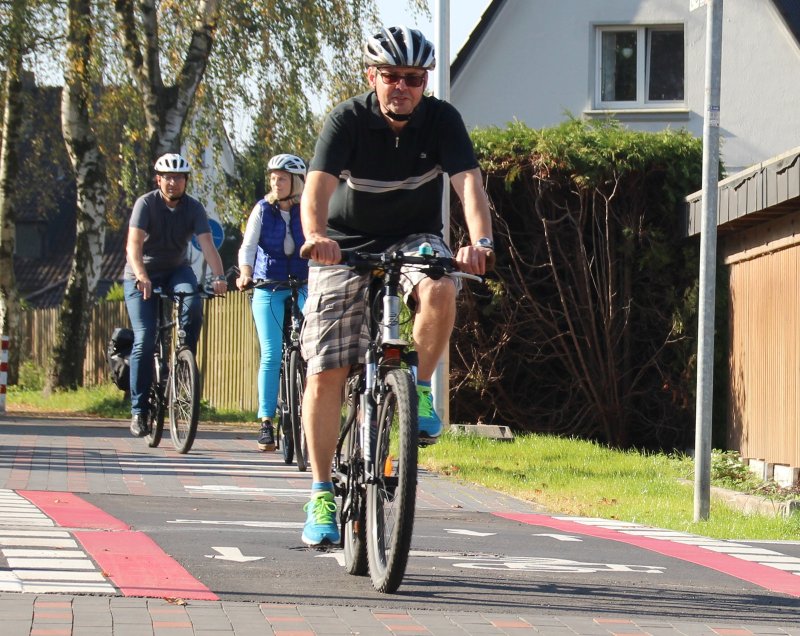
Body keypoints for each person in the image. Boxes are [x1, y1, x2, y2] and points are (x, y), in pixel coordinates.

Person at [298, 25, 494, 546]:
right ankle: (320, 492)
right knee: (329, 369)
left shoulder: (442, 121)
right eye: (391, 77)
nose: (401, 86)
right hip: (343, 242)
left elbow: (468, 183)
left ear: (425, 81)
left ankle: (419, 391)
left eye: (413, 78)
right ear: (373, 77)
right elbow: (316, 188)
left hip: (415, 236)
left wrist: (481, 242)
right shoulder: (347, 120)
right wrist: (315, 235)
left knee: (442, 286)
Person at [124, 153, 228, 438]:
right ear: (159, 179)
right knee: (144, 338)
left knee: (193, 302)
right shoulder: (146, 204)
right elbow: (133, 247)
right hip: (140, 274)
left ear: (185, 181)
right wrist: (142, 275)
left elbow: (207, 245)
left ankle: (184, 357)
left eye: (179, 177)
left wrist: (218, 277)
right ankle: (139, 410)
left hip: (175, 272)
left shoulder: (193, 209)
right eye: (167, 177)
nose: (173, 182)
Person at [236, 154, 309, 451]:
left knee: (313, 345)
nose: (275, 183)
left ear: (296, 182)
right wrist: (245, 274)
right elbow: (248, 246)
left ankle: (311, 411)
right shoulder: (262, 210)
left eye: (282, 178)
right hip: (268, 285)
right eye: (273, 178)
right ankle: (266, 421)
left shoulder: (309, 209)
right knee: (271, 353)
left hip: (304, 284)